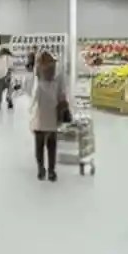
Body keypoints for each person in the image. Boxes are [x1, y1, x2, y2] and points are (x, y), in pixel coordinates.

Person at [30, 51, 70, 181]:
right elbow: (62, 93)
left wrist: (30, 110)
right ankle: (51, 171)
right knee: (52, 145)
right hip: (53, 113)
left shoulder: (37, 74)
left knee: (39, 145)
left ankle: (41, 169)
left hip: (40, 113)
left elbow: (33, 95)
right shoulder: (58, 75)